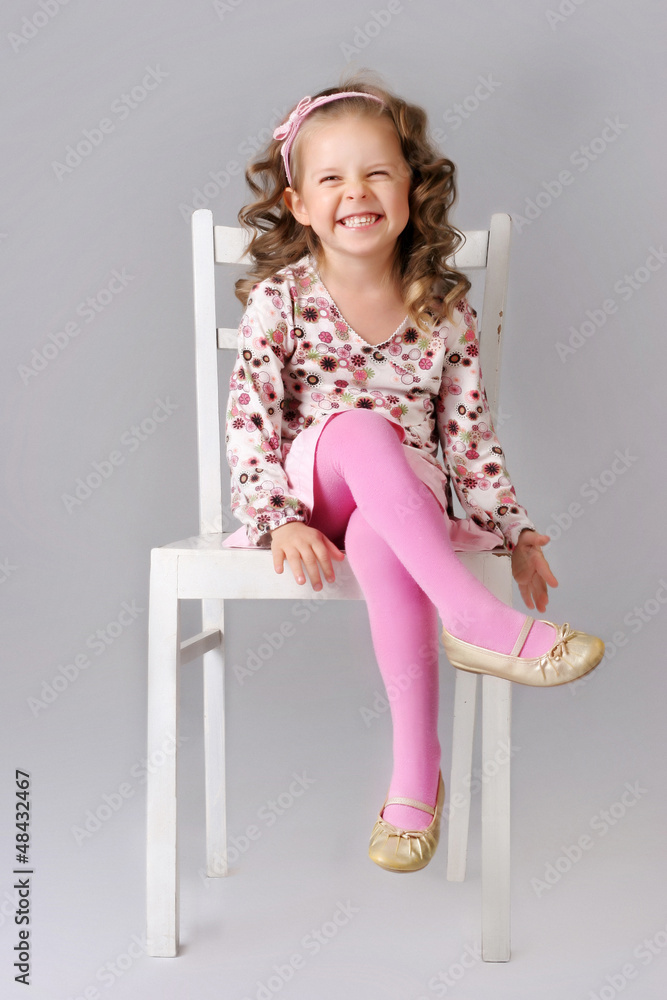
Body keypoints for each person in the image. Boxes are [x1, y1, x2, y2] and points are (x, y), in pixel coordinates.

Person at [222, 75, 604, 873]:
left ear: (411, 187)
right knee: (361, 430)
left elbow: (468, 438)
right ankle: (477, 623)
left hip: (407, 501)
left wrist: (512, 528)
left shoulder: (442, 306)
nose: (355, 193)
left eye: (377, 173)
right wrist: (279, 519)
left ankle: (413, 778)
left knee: (383, 533)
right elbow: (250, 425)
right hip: (311, 488)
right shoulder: (279, 301)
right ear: (297, 206)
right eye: (330, 178)